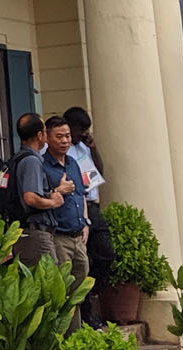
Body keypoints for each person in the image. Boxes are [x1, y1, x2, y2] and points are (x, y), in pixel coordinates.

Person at [38, 114, 92, 330]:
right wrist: (58, 190)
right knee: (63, 289)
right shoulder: (42, 165)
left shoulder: (73, 163)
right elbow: (35, 197)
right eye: (59, 136)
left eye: (67, 136)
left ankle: (76, 332)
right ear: (47, 138)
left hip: (78, 236)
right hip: (58, 235)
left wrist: (86, 221)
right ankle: (68, 334)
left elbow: (81, 195)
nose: (65, 141)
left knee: (79, 289)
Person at [63, 106, 114, 325]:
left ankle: (92, 292)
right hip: (75, 205)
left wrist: (93, 149)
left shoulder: (83, 147)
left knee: (105, 253)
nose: (82, 134)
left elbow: (98, 172)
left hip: (92, 204)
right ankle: (85, 312)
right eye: (80, 130)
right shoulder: (63, 149)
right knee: (82, 260)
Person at [10, 113, 61, 270]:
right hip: (35, 233)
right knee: (47, 277)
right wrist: (53, 202)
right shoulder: (32, 161)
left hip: (25, 232)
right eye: (45, 131)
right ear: (39, 135)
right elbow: (30, 197)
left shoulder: (18, 158)